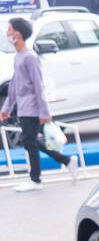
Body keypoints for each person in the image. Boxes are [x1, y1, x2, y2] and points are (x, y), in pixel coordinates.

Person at [0, 17, 78, 192]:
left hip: (32, 107)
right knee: (31, 141)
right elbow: (14, 85)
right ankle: (66, 161)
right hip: (23, 107)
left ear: (18, 34)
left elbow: (38, 85)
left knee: (29, 141)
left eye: (10, 30)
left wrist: (44, 112)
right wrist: (6, 108)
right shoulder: (18, 57)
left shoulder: (30, 58)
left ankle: (36, 179)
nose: (7, 33)